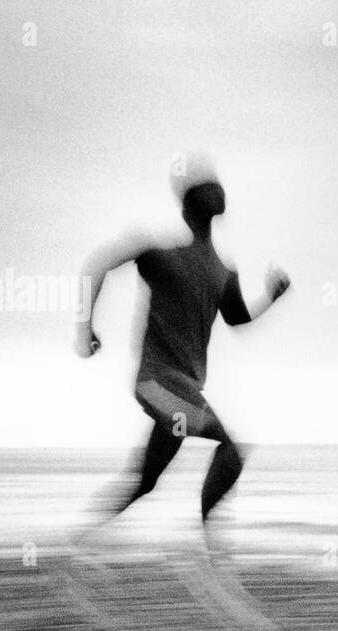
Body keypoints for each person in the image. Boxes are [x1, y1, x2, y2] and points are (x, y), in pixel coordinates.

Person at [73, 165, 289, 541]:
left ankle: (78, 542)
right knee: (231, 449)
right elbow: (96, 267)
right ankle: (206, 551)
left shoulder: (222, 273)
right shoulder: (159, 254)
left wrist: (271, 296)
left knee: (144, 483)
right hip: (156, 383)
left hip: (181, 393)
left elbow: (237, 320)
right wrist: (84, 327)